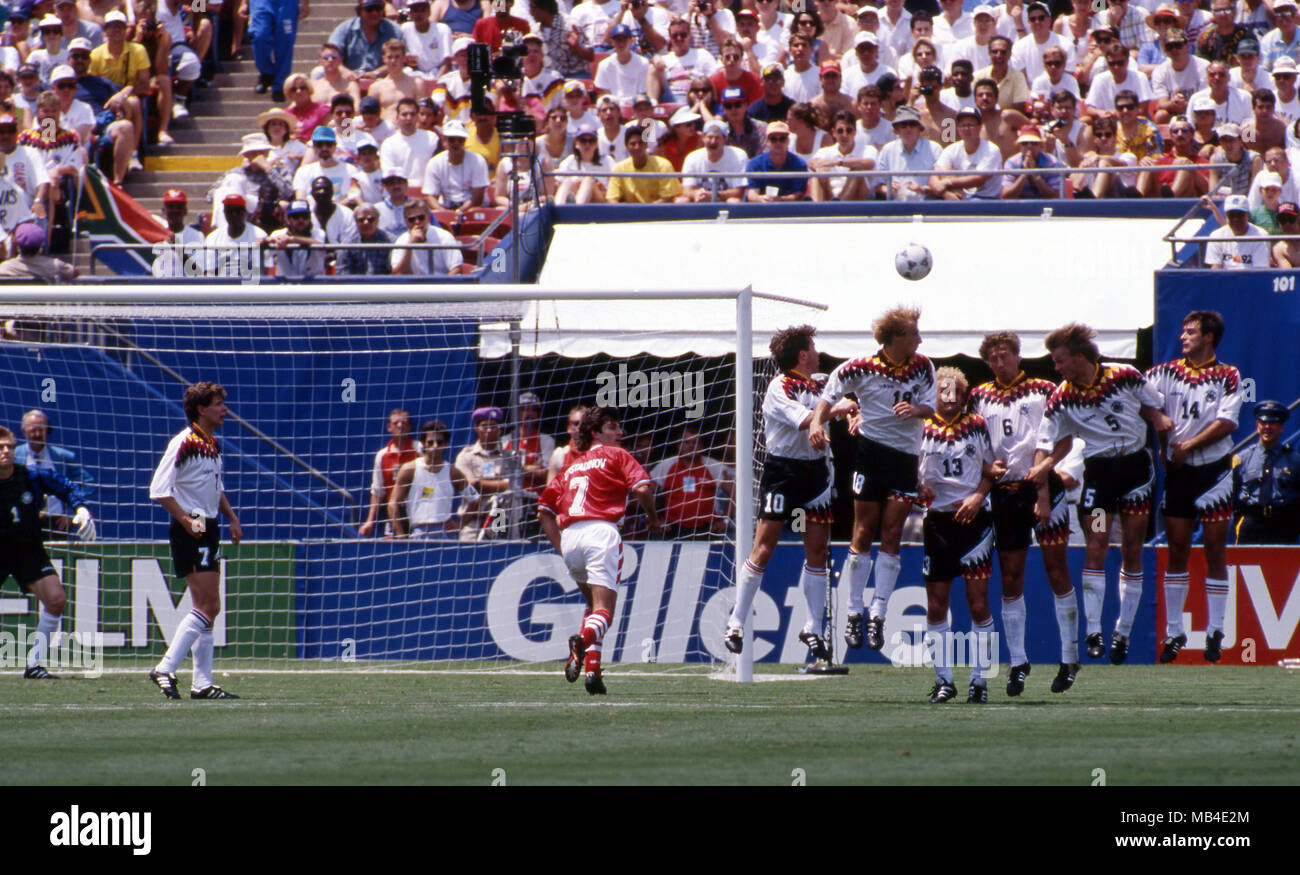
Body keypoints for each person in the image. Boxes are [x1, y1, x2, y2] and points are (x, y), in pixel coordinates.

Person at [1030, 323, 1166, 666]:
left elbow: (1153, 405)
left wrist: (1161, 423)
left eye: (1060, 361)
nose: (1057, 368)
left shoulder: (1125, 375)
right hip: (1100, 478)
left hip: (1135, 472)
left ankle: (1123, 632)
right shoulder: (1062, 397)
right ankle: (1094, 631)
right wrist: (1042, 483)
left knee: (1132, 548)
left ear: (1078, 356)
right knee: (1097, 544)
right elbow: (1046, 442)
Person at [724, 325, 856, 662]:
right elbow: (807, 419)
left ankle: (812, 626)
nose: (817, 351)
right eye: (812, 346)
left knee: (817, 549)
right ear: (802, 354)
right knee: (764, 546)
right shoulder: (778, 387)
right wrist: (836, 412)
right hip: (784, 472)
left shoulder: (822, 383)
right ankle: (737, 621)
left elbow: (849, 396)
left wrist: (855, 409)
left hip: (817, 474)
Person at [809, 306, 935, 655]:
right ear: (896, 337)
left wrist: (916, 410)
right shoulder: (860, 366)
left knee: (893, 532)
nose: (919, 338)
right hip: (871, 453)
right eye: (914, 332)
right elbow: (828, 396)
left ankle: (878, 612)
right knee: (863, 530)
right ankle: (853, 611)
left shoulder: (923, 365)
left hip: (905, 459)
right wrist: (818, 423)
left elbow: (931, 407)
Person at [971, 332, 1081, 695]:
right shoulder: (978, 396)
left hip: (1042, 488)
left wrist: (1047, 469)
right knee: (1010, 578)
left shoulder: (1045, 389)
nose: (1000, 362)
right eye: (993, 358)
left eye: (1005, 355)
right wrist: (988, 468)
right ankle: (1018, 662)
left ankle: (1069, 656)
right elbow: (973, 445)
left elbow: (1067, 436)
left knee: (1056, 569)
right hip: (1004, 495)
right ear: (987, 362)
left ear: (1018, 356)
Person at [539, 406, 660, 695]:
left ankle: (593, 672)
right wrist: (653, 518)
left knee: (593, 607)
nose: (620, 432)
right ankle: (581, 640)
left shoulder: (572, 467)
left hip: (571, 538)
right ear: (596, 432)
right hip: (601, 533)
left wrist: (559, 546)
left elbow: (543, 510)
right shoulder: (617, 454)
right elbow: (643, 489)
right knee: (604, 612)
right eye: (613, 427)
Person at [1145, 310, 1240, 664]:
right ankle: (1174, 631)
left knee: (1215, 548)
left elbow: (1227, 421)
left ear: (1209, 337)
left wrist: (1188, 446)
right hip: (1179, 473)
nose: (1183, 337)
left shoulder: (1228, 375)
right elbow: (1141, 397)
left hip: (1214, 471)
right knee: (1178, 548)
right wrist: (1159, 426)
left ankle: (1215, 628)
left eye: (1190, 332)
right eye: (1183, 331)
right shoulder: (1164, 372)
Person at [146, 382, 241, 699]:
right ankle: (165, 667)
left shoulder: (212, 443)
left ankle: (201, 683)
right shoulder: (183, 442)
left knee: (210, 607)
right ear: (201, 409)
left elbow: (215, 485)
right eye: (218, 404)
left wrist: (231, 517)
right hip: (194, 526)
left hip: (209, 525)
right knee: (208, 604)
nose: (224, 409)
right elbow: (159, 489)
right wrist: (186, 520)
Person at [916, 367, 996, 704]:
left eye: (956, 394)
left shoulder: (976, 425)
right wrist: (916, 486)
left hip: (974, 523)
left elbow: (991, 469)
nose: (949, 400)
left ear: (964, 397)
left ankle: (980, 679)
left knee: (978, 604)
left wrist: (978, 497)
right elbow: (907, 466)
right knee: (936, 605)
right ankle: (944, 680)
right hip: (937, 522)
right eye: (943, 393)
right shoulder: (920, 427)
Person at [0, 424, 95, 679]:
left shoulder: (30, 476)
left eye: (9, 446)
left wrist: (81, 508)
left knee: (56, 599)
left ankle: (34, 664)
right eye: (0, 448)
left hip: (27, 549)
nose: (6, 451)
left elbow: (65, 486)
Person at [14, 409, 93, 541]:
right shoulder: (14, 456)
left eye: (41, 430)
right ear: (24, 431)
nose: (37, 434)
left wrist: (71, 512)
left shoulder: (63, 456)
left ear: (48, 430)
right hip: (25, 521)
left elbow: (87, 483)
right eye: (33, 430)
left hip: (57, 523)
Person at [1233, 400, 1300, 544]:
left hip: (1283, 525)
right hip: (1251, 524)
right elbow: (1232, 498)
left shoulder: (1295, 461)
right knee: (1246, 564)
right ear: (1257, 426)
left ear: (1281, 427)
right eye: (1263, 423)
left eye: (1273, 423)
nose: (1267, 428)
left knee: (1283, 566)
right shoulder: (1242, 459)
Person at [650, 423, 732, 539]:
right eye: (686, 442)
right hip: (672, 529)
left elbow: (735, 493)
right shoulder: (666, 466)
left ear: (701, 446)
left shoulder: (713, 466)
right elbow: (646, 493)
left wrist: (724, 520)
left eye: (695, 442)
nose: (691, 446)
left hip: (706, 529)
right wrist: (655, 519)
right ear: (678, 445)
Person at [390, 420, 470, 539]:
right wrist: (401, 536)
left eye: (440, 442)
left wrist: (460, 525)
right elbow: (393, 503)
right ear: (423, 444)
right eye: (430, 442)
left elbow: (474, 499)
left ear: (446, 444)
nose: (435, 446)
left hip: (446, 535)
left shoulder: (453, 472)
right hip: (418, 532)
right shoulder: (409, 469)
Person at [455, 405, 512, 541]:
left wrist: (480, 483)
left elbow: (511, 486)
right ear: (476, 428)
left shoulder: (507, 456)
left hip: (499, 514)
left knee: (499, 552)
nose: (489, 430)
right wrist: (499, 484)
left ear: (499, 428)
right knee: (467, 553)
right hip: (472, 515)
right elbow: (468, 485)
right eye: (484, 426)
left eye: (493, 426)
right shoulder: (466, 456)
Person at [359, 409, 419, 538]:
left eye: (404, 422)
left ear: (410, 427)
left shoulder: (419, 449)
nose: (400, 425)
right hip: (394, 512)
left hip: (417, 511)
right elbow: (377, 491)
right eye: (395, 423)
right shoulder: (382, 455)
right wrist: (370, 521)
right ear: (389, 427)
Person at [931, 105, 1001, 199]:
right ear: (958, 129)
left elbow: (979, 179)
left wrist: (948, 182)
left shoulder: (992, 149)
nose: (967, 129)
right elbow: (935, 174)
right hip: (958, 193)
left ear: (980, 127)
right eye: (963, 125)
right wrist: (946, 193)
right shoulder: (951, 149)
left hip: (985, 198)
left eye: (971, 125)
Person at [421, 119, 490, 211]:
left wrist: (459, 212)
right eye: (452, 139)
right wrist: (444, 212)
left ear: (465, 141)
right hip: (446, 207)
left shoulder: (478, 161)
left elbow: (477, 198)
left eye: (460, 140)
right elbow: (430, 196)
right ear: (444, 140)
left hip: (473, 209)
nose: (456, 143)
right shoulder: (435, 163)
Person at [809, 109, 876, 201]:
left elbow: (870, 163)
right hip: (830, 195)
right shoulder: (825, 151)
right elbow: (812, 163)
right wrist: (819, 167)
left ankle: (839, 208)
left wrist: (837, 162)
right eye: (840, 131)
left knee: (858, 170)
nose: (845, 135)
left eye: (849, 130)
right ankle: (815, 210)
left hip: (858, 198)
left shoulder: (868, 149)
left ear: (855, 132)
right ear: (833, 133)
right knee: (817, 174)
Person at [249, 0, 308, 102]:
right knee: (259, 36)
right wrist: (243, 4)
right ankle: (266, 72)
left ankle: (279, 84)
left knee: (285, 42)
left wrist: (305, 3)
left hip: (287, 4)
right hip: (261, 3)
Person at [606, 123, 680, 203]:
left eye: (640, 143)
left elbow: (668, 198)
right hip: (629, 213)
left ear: (646, 145)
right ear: (626, 146)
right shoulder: (619, 169)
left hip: (658, 212)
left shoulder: (663, 165)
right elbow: (612, 198)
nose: (637, 147)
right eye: (632, 144)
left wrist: (645, 211)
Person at [330, 0, 403, 79]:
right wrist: (347, 73)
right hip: (349, 79)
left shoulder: (394, 30)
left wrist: (376, 73)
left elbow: (401, 59)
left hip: (385, 79)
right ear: (359, 11)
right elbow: (331, 55)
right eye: (369, 9)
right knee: (319, 72)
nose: (374, 13)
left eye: (378, 9)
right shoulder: (344, 29)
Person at [391, 200, 463, 275]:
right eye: (411, 219)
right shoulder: (401, 241)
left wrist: (441, 286)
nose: (417, 222)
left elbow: (456, 269)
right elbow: (398, 275)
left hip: (440, 283)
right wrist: (409, 245)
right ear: (406, 221)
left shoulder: (444, 236)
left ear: (428, 217)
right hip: (414, 285)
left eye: (421, 217)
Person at [1201, 192, 1271, 268]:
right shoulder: (1216, 236)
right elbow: (1215, 268)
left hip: (1251, 278)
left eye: (1240, 215)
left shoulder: (1261, 236)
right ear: (1226, 216)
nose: (1236, 219)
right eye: (1232, 215)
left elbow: (1260, 271)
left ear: (1248, 215)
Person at [265, 198, 325, 278]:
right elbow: (257, 246)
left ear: (309, 219)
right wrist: (269, 240)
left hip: (313, 284)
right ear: (288, 220)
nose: (301, 220)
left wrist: (292, 239)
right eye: (296, 217)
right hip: (285, 284)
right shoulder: (278, 234)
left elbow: (319, 244)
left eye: (304, 216)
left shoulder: (319, 233)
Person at [0, 222, 77, 280]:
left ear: (18, 244)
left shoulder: (5, 267)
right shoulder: (55, 265)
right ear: (41, 244)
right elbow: (74, 272)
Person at [339, 203, 393, 275]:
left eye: (370, 219)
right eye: (361, 220)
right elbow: (343, 271)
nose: (366, 223)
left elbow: (394, 270)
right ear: (355, 222)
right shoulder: (347, 244)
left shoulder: (391, 242)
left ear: (377, 221)